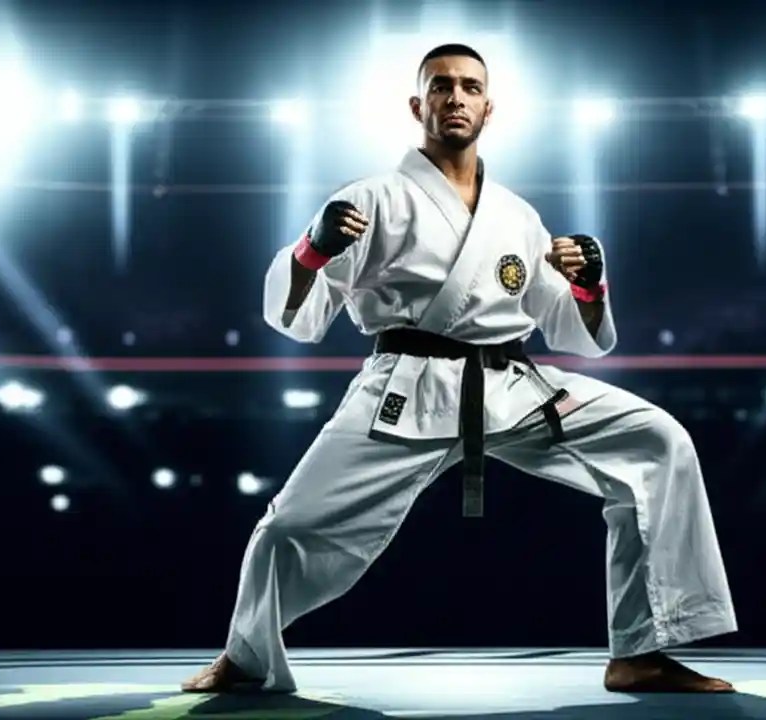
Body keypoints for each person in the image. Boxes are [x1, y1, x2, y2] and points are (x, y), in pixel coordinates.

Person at [182, 43, 736, 695]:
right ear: (419, 105)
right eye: (440, 86)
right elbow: (296, 318)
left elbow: (570, 333)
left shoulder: (517, 216)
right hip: (405, 390)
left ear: (488, 107)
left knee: (658, 441)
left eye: (469, 87)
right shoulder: (373, 198)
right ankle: (246, 658)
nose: (455, 97)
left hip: (512, 387)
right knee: (291, 525)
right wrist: (313, 249)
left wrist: (588, 285)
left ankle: (641, 652)